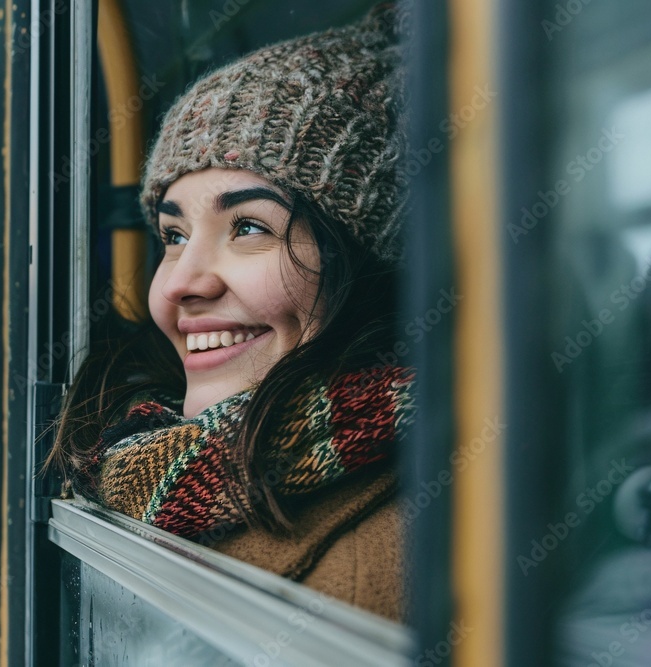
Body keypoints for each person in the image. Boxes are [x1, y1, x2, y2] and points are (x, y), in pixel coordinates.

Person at [48, 4, 414, 622]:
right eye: (173, 235)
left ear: (370, 267)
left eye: (248, 226)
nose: (179, 285)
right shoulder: (136, 460)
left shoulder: (401, 564)